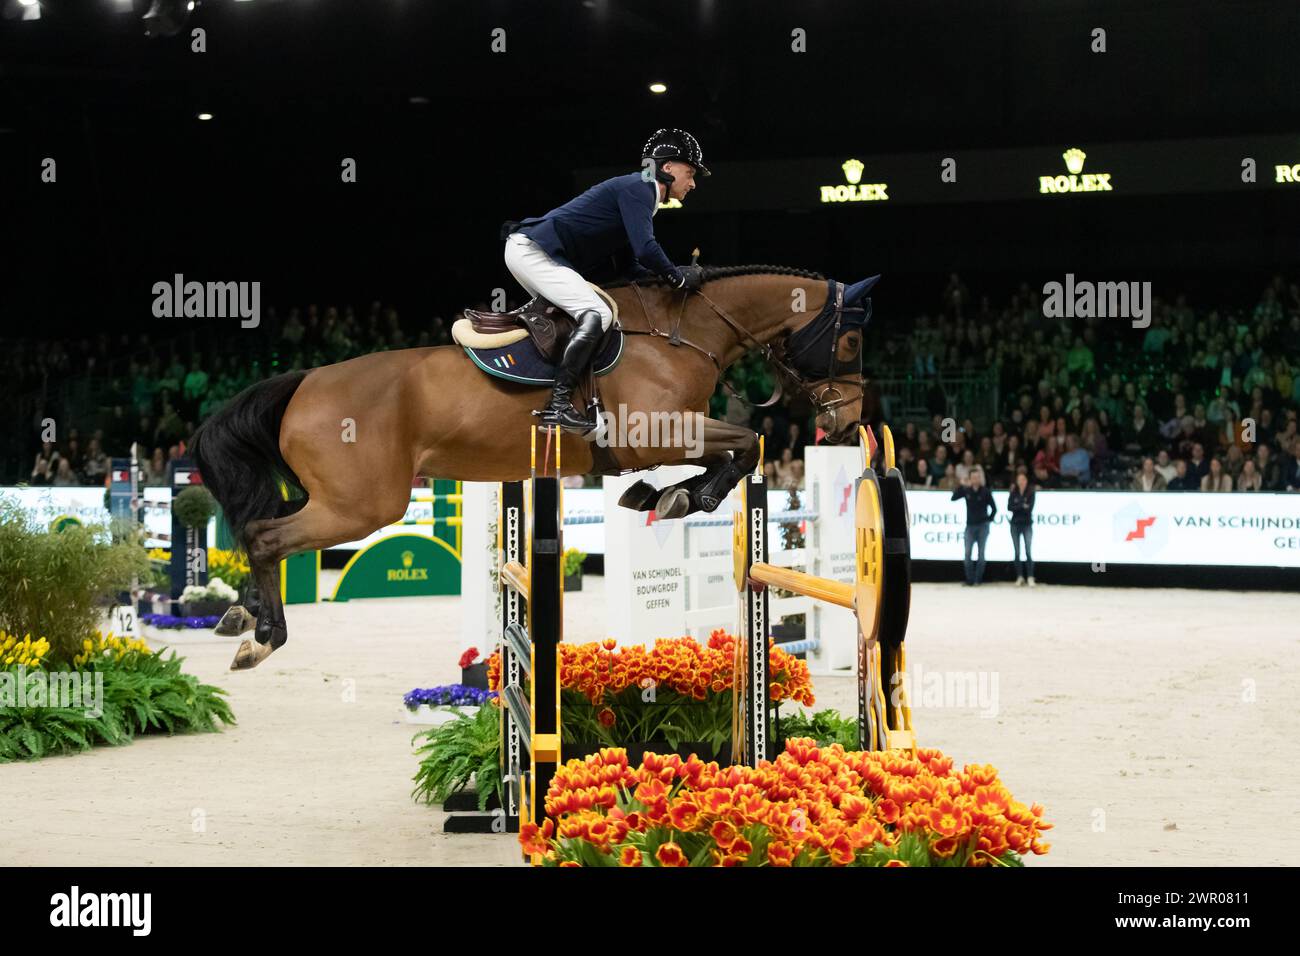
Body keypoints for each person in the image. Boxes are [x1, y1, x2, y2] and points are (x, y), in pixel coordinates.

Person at [503, 128, 709, 433]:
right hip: (533, 251)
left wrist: (666, 278)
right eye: (689, 172)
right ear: (666, 168)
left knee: (577, 317)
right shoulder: (642, 187)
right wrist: (677, 278)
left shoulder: (640, 194)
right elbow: (646, 248)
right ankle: (558, 406)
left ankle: (553, 393)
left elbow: (631, 266)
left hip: (533, 251)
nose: (692, 183)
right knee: (598, 313)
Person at [952, 465, 997, 586]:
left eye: (977, 477)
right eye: (973, 477)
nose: (975, 479)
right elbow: (953, 498)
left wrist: (988, 520)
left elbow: (994, 508)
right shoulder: (967, 490)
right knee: (967, 554)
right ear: (970, 479)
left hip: (982, 526)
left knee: (981, 554)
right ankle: (969, 579)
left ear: (980, 478)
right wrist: (961, 485)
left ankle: (978, 579)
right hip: (970, 526)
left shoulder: (985, 491)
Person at [1007, 467, 1036, 587]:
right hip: (1015, 524)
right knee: (1017, 552)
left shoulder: (1031, 492)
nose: (1022, 481)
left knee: (1028, 551)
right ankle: (1019, 576)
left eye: (1023, 479)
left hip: (1027, 524)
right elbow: (1009, 507)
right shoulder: (1013, 492)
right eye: (1019, 479)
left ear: (1026, 480)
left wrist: (1018, 505)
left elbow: (1029, 508)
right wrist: (1021, 505)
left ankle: (1030, 576)